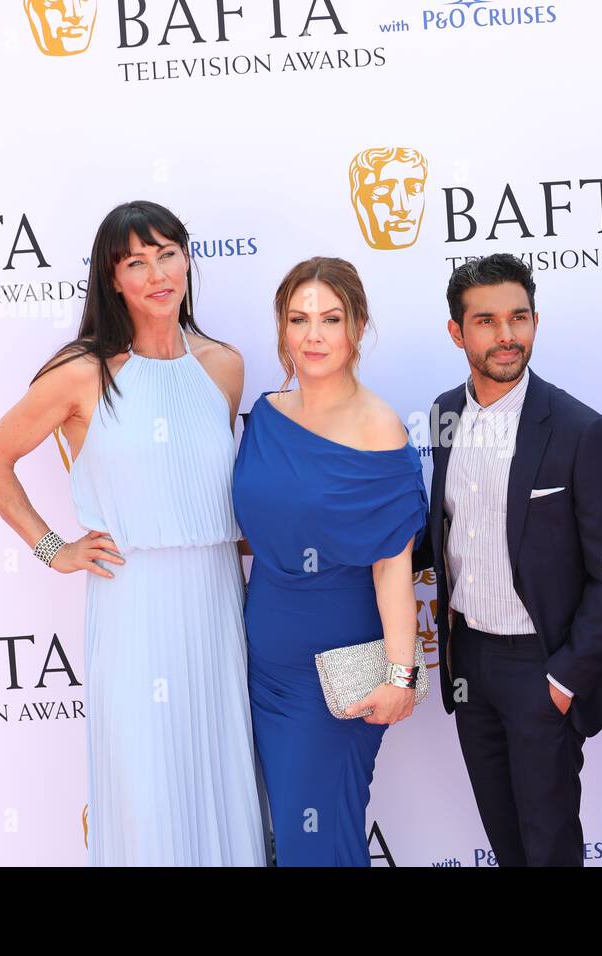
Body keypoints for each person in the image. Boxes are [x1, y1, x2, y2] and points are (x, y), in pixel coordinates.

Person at [0, 200, 267, 866]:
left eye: (167, 253)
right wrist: (54, 550)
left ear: (188, 259)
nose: (157, 273)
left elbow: (213, 493)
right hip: (132, 601)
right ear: (113, 280)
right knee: (146, 787)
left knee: (221, 770)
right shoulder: (82, 371)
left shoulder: (223, 365)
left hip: (217, 599)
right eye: (137, 262)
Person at [416, 253, 602, 867]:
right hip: (470, 662)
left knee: (549, 848)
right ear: (457, 332)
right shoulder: (445, 414)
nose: (506, 335)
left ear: (535, 322)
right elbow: (444, 535)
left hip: (541, 665)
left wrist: (564, 679)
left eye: (519, 318)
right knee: (507, 843)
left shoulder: (581, 433)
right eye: (485, 321)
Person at [233, 256, 427, 867]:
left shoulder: (379, 428)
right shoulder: (265, 415)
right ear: (282, 329)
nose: (313, 335)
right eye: (298, 319)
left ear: (358, 326)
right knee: (288, 835)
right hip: (260, 661)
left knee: (315, 842)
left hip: (336, 672)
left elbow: (392, 566)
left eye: (330, 319)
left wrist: (400, 676)